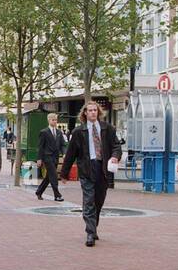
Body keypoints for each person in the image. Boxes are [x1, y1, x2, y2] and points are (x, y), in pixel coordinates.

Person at [60, 100, 122, 246]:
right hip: (87, 169)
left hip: (103, 169)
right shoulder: (78, 132)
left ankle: (94, 228)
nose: (93, 112)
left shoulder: (108, 129)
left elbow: (116, 146)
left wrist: (115, 156)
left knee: (98, 201)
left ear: (98, 112)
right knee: (88, 201)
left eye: (95, 110)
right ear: (85, 113)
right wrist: (64, 173)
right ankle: (89, 232)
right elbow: (70, 154)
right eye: (90, 110)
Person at [35, 112, 67, 202]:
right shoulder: (44, 132)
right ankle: (57, 195)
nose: (55, 122)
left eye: (56, 120)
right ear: (49, 120)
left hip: (55, 157)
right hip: (47, 157)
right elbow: (40, 146)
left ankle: (39, 191)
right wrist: (39, 159)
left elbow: (63, 145)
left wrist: (64, 153)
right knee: (53, 175)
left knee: (49, 177)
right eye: (53, 120)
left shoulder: (59, 132)